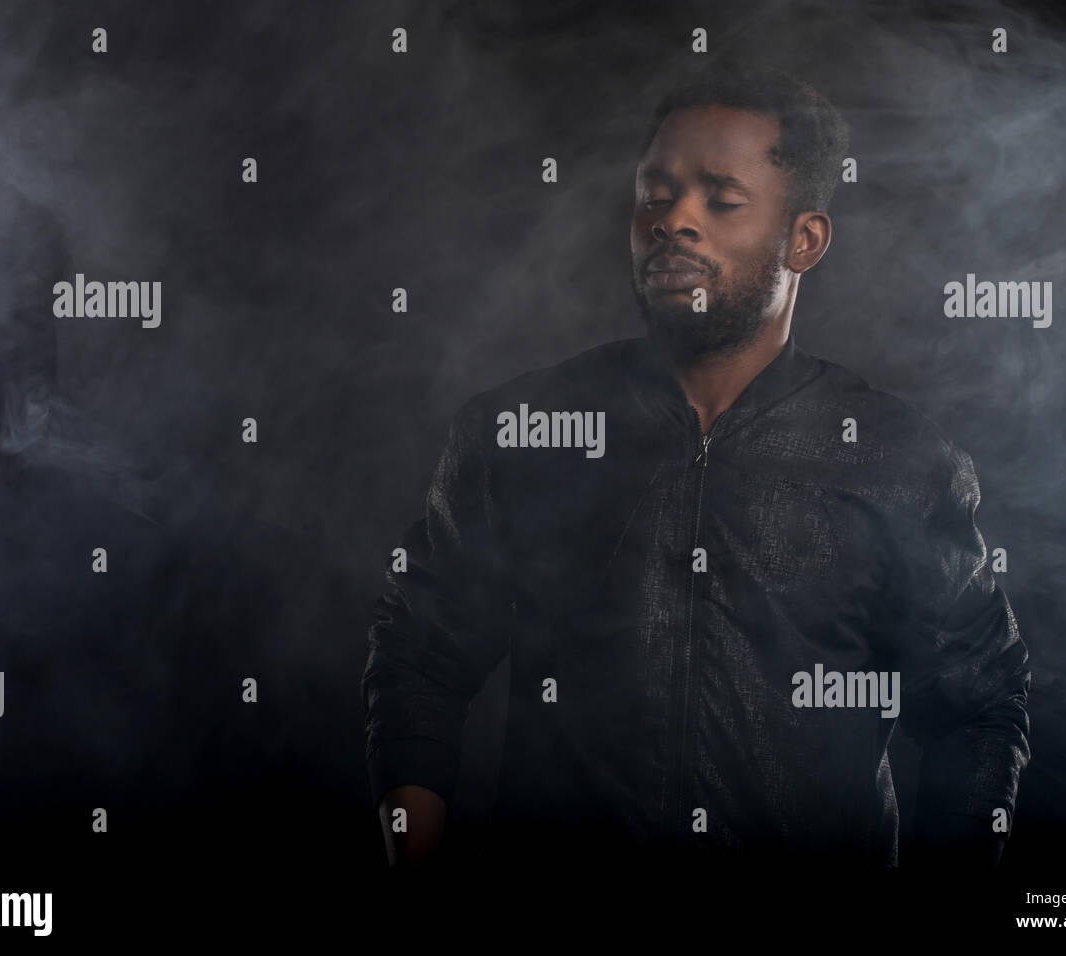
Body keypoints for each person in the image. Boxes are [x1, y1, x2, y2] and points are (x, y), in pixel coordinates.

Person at [361, 61, 1031, 873]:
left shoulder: (898, 458)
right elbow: (421, 657)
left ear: (805, 239)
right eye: (655, 193)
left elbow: (977, 713)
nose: (673, 219)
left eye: (721, 198)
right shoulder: (520, 430)